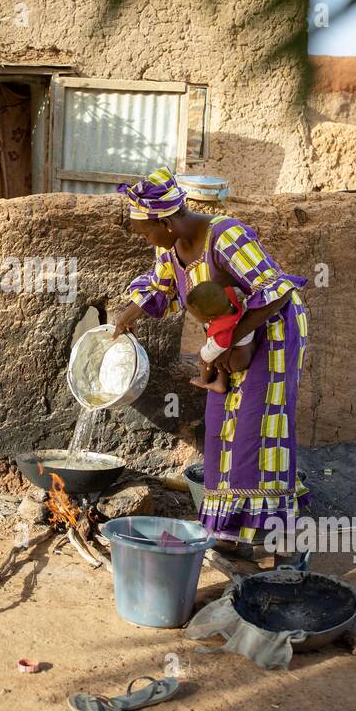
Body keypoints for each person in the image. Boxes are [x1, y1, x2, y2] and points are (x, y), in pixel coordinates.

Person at [112, 167, 310, 547]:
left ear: (167, 221)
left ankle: (277, 542)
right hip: (229, 336)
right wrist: (124, 319)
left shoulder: (226, 234)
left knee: (256, 426)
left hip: (272, 331)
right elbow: (160, 287)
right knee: (220, 424)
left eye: (145, 230)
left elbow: (277, 290)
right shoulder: (169, 248)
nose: (144, 238)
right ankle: (230, 530)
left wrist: (229, 338)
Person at [186, 281, 290, 393]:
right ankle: (220, 381)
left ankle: (204, 381)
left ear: (211, 317)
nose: (196, 319)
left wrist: (203, 356)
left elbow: (215, 350)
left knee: (208, 359)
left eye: (198, 317)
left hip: (238, 360)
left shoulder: (221, 333)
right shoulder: (234, 299)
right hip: (247, 347)